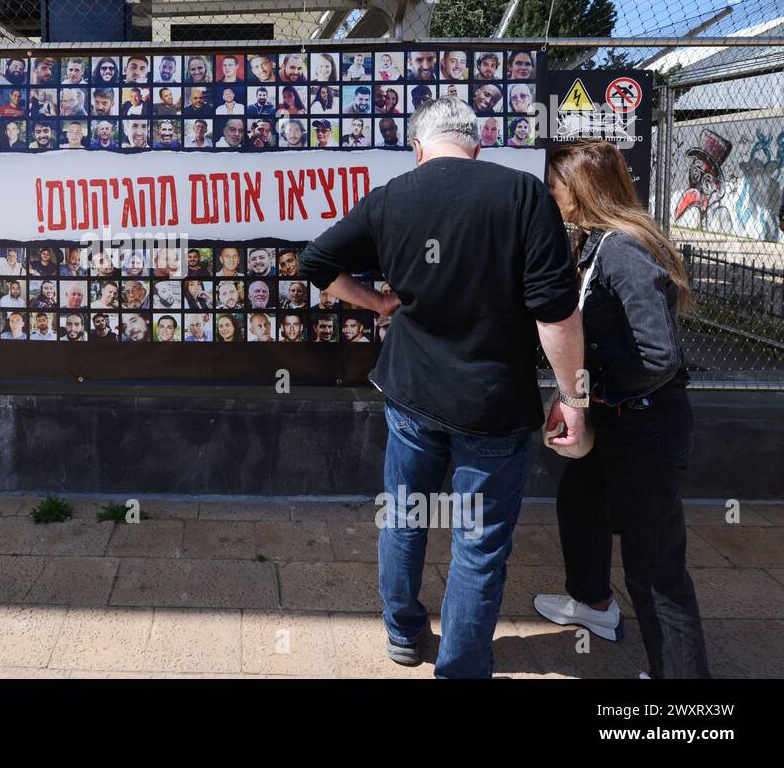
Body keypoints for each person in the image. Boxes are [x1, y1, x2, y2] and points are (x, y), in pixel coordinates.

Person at [299, 97, 586, 679]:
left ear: (419, 148)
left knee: (404, 514)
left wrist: (379, 301)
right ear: (476, 146)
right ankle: (460, 667)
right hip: (493, 405)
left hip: (410, 396)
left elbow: (316, 262)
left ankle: (403, 634)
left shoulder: (392, 196)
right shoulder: (522, 193)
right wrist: (573, 397)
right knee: (479, 542)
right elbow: (555, 314)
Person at [534, 139, 710, 679]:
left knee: (654, 567)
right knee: (579, 504)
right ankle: (593, 604)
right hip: (617, 421)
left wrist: (592, 393)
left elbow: (658, 355)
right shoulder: (599, 245)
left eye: (555, 185)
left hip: (644, 426)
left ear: (580, 190)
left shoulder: (624, 251)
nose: (550, 194)